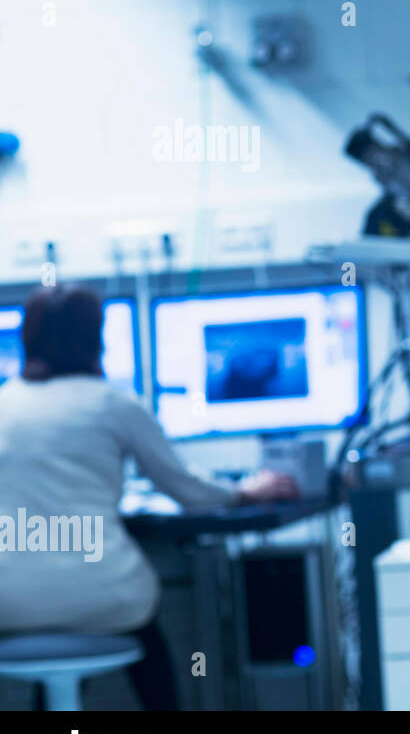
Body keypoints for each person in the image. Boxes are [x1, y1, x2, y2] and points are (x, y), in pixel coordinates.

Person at [0, 285, 298, 709]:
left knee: (52, 642)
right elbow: (188, 491)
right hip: (99, 598)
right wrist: (245, 491)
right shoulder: (114, 404)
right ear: (95, 340)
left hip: (7, 604)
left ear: (26, 337)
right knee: (132, 627)